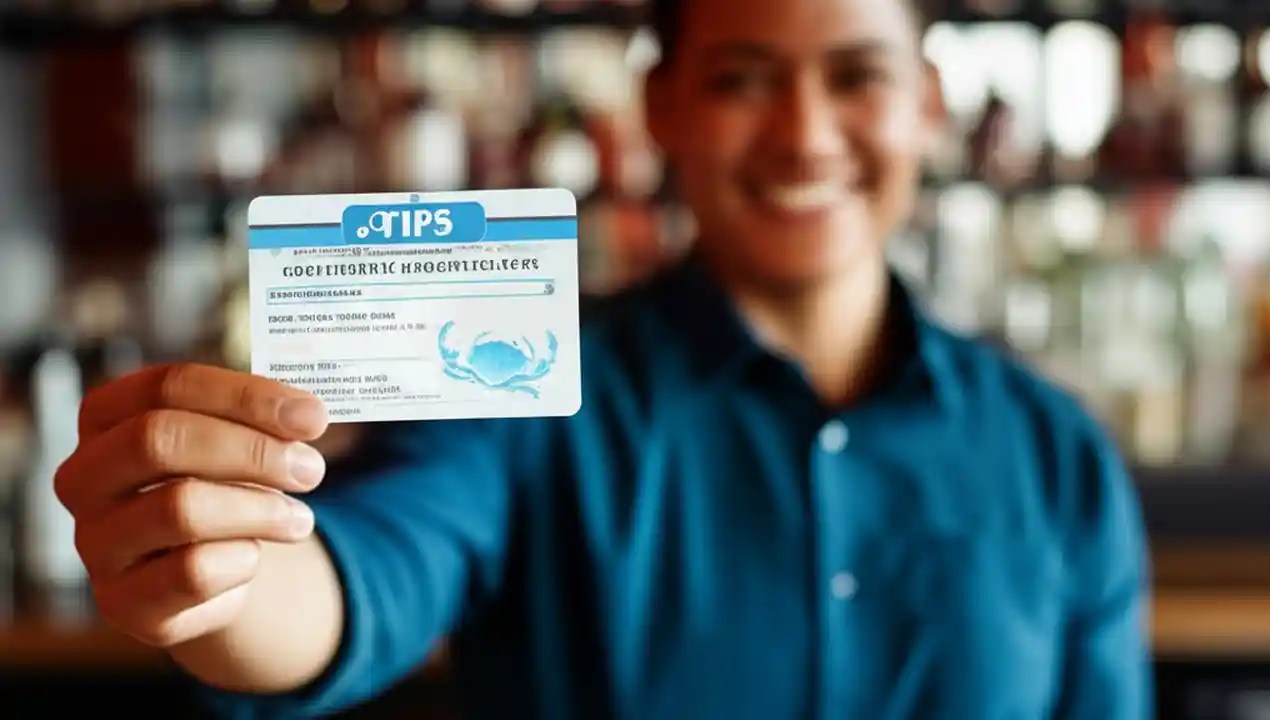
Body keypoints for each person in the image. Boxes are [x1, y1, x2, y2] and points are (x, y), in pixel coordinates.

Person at [54, 0, 1152, 717]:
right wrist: (220, 573)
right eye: (742, 79)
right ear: (661, 106)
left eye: (856, 77)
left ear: (927, 104)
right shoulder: (525, 399)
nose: (805, 135)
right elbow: (365, 574)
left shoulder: (1055, 455)